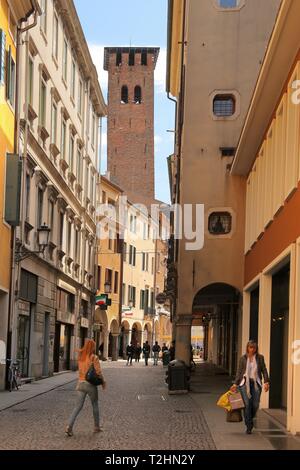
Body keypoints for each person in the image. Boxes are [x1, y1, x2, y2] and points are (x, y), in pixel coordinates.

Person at [65, 339, 106, 437]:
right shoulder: (94, 357)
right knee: (95, 404)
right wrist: (103, 381)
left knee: (77, 407)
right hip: (90, 385)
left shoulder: (81, 357)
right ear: (92, 347)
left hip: (80, 383)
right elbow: (98, 372)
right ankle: (96, 427)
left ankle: (69, 427)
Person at [231, 340, 270, 435]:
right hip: (244, 383)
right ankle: (249, 425)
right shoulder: (243, 358)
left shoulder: (260, 358)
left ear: (256, 349)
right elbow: (239, 372)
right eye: (250, 347)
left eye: (254, 347)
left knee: (255, 404)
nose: (252, 349)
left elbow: (264, 370)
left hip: (256, 383)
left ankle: (249, 419)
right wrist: (235, 384)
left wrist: (266, 382)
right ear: (247, 348)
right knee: (247, 404)